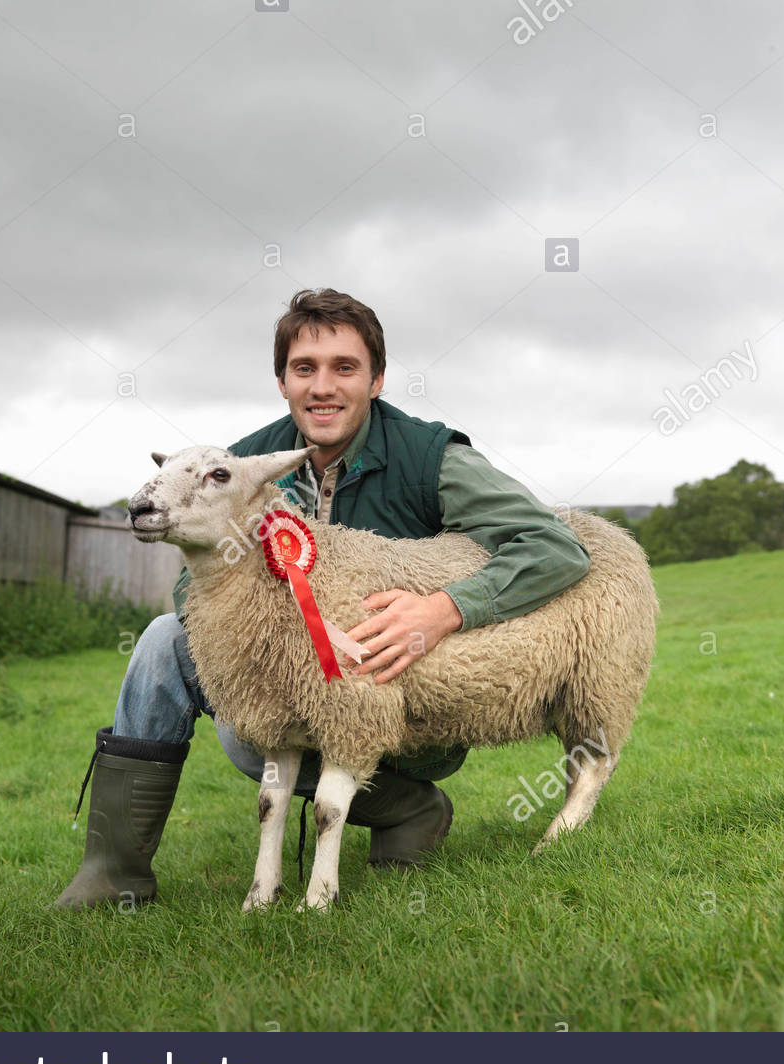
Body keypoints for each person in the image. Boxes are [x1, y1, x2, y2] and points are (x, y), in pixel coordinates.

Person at [53, 288, 592, 909]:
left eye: (345, 367)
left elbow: (554, 547)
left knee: (328, 716)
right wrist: (252, 613)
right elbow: (195, 576)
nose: (323, 386)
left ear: (377, 379)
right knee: (161, 641)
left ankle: (407, 800)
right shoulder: (243, 464)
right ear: (282, 380)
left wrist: (446, 608)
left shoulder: (432, 458)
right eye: (304, 369)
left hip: (412, 696)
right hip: (296, 690)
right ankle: (114, 868)